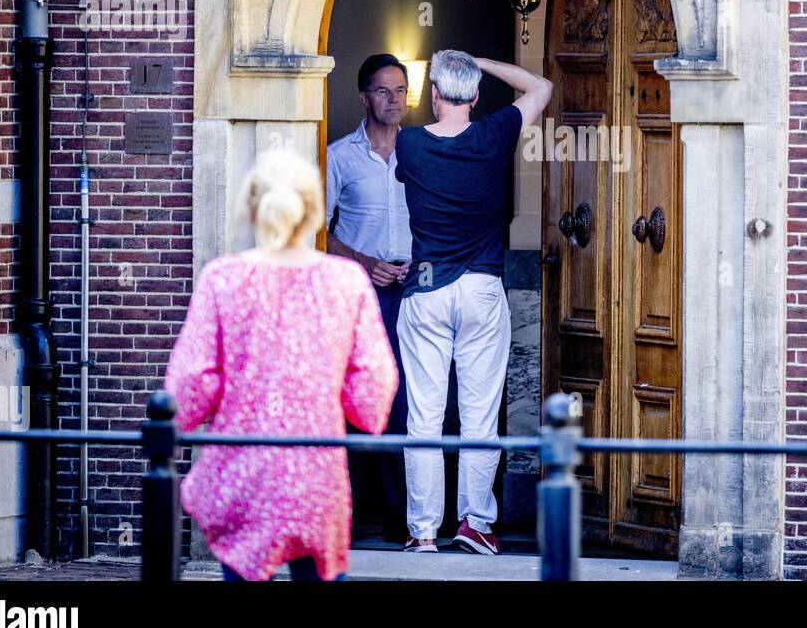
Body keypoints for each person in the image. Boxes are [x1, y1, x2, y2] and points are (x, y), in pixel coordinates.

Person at [164, 148, 398, 581]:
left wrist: (178, 426)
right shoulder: (345, 280)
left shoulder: (224, 278)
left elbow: (192, 379)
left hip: (242, 471)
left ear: (252, 209)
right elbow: (373, 383)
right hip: (316, 472)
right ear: (313, 210)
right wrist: (347, 407)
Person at [395, 50, 552, 554]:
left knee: (424, 415)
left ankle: (422, 531)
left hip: (427, 288)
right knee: (480, 415)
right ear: (478, 95)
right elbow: (540, 88)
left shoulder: (410, 143)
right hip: (483, 288)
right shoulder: (493, 134)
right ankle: (475, 524)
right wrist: (481, 61)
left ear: (434, 95)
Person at [326, 53, 413, 543]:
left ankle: (406, 523)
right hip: (361, 294)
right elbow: (321, 229)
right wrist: (364, 261)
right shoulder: (339, 157)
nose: (394, 99)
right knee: (357, 402)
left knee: (408, 405)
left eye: (400, 90)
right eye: (383, 91)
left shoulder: (421, 152)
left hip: (415, 292)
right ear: (364, 97)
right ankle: (347, 521)